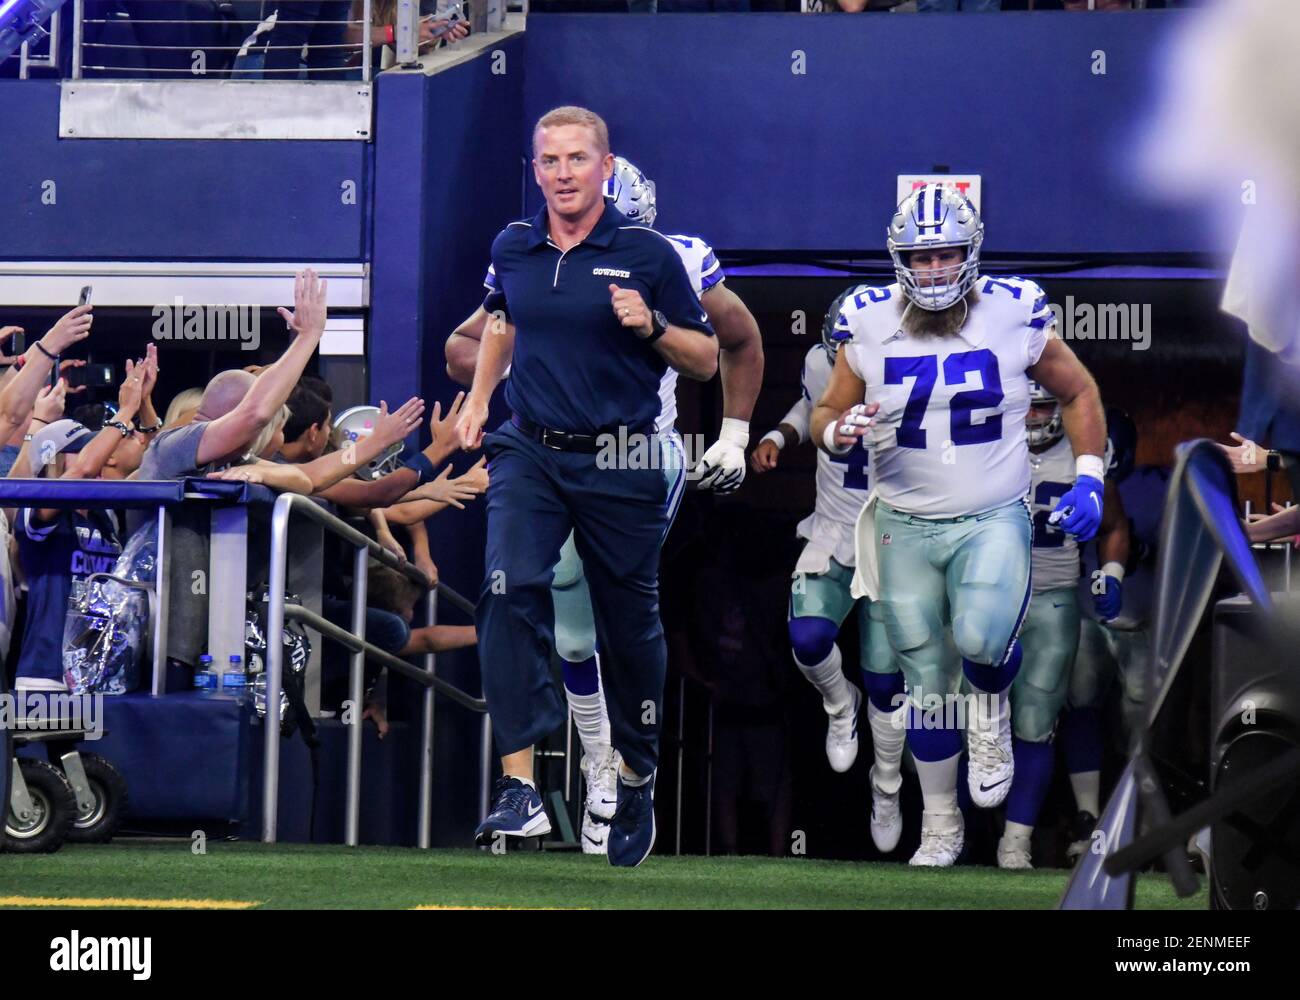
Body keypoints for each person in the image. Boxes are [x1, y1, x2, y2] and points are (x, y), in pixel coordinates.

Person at [445, 154, 762, 855]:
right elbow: (464, 345)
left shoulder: (672, 258)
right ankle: (590, 765)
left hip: (639, 453)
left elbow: (732, 343)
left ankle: (630, 768)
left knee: (623, 611)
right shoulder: (532, 252)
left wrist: (735, 436)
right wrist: (533, 347)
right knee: (559, 613)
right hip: (545, 447)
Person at [810, 184, 1106, 867]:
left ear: (972, 254)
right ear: (898, 258)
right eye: (922, 255)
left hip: (991, 517)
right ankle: (940, 824)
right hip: (902, 522)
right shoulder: (868, 318)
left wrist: (1090, 474)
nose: (936, 268)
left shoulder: (1012, 310)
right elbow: (826, 415)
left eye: (947, 254)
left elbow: (1078, 389)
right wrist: (836, 434)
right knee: (923, 681)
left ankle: (992, 713)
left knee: (981, 640)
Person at [749, 288, 908, 854]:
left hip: (895, 537)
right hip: (836, 528)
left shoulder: (912, 369)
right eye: (837, 342)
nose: (844, 352)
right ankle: (841, 705)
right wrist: (778, 434)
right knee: (809, 637)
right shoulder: (821, 363)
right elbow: (809, 400)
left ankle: (885, 786)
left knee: (889, 681)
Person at [997, 386, 1129, 870]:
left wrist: (1110, 572)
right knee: (966, 715)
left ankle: (1015, 842)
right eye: (1026, 402)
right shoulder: (986, 437)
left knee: (1036, 721)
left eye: (1044, 404)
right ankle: (952, 834)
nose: (1033, 414)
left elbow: (1114, 523)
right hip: (987, 596)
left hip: (1053, 594)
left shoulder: (1084, 448)